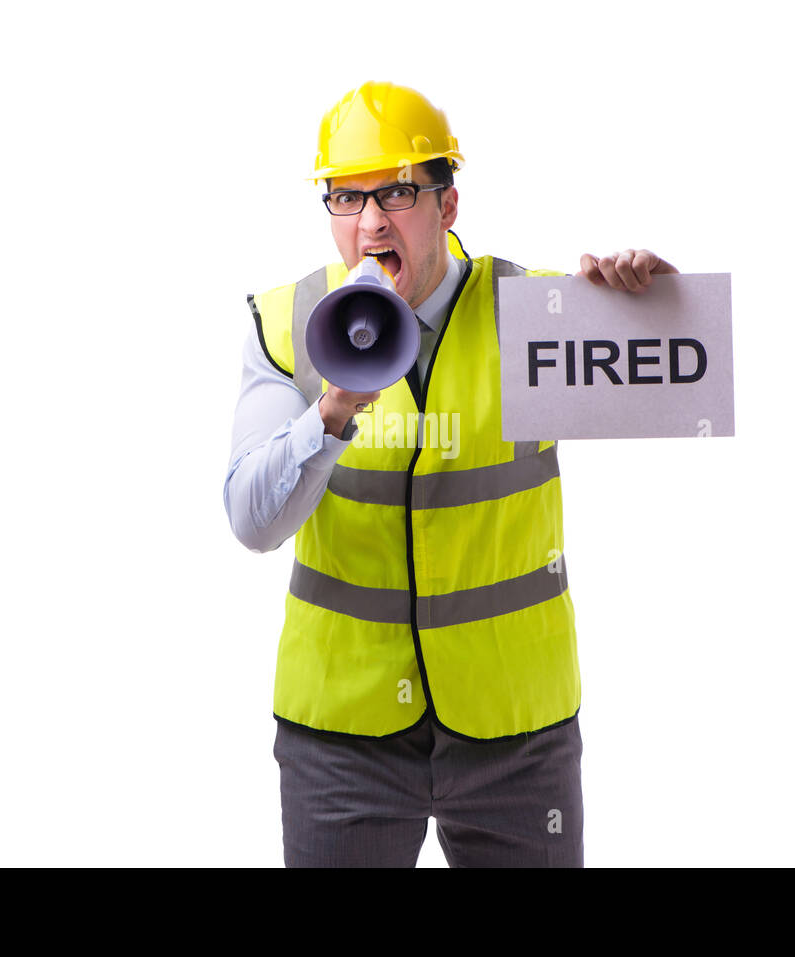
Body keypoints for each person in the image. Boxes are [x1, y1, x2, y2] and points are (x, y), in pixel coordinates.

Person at [224, 80, 677, 867]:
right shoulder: (290, 324)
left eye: (396, 192)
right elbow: (253, 520)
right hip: (343, 739)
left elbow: (669, 377)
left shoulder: (535, 318)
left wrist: (651, 306)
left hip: (516, 733)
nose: (369, 222)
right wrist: (330, 410)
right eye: (345, 197)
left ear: (447, 204)